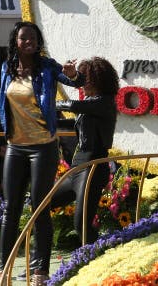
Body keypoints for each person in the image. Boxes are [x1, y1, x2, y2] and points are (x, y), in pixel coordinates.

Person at [0, 21, 80, 286]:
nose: (29, 41)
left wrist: (74, 75)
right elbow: (0, 110)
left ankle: (40, 270)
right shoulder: (7, 69)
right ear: (15, 42)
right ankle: (4, 269)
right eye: (23, 38)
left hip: (43, 147)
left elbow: (73, 80)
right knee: (11, 209)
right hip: (16, 147)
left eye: (33, 37)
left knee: (39, 208)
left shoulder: (48, 67)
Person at [50, 57, 119, 245]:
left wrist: (47, 104)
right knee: (42, 203)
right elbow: (75, 122)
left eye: (85, 79)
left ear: (98, 81)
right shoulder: (89, 102)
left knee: (81, 223)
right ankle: (41, 254)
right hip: (77, 168)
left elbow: (72, 106)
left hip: (93, 168)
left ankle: (93, 257)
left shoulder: (105, 102)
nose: (81, 83)